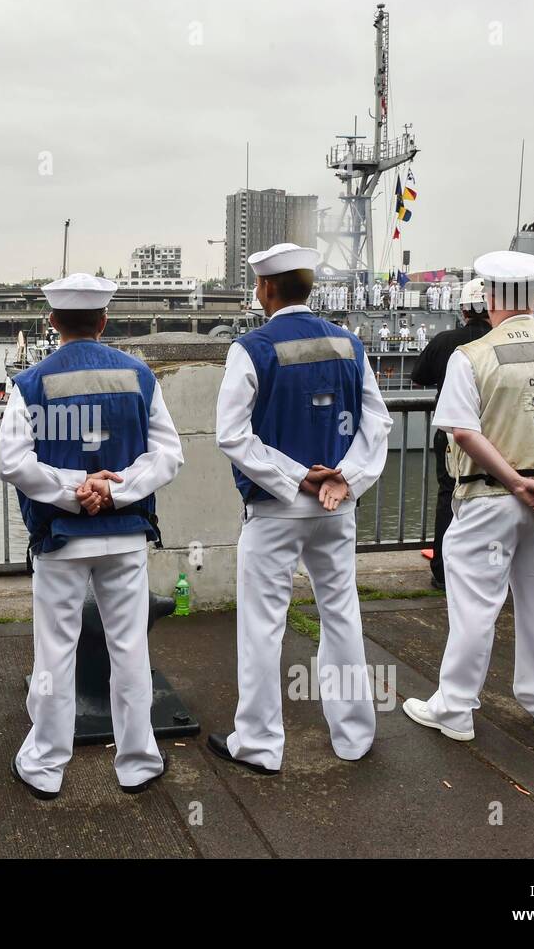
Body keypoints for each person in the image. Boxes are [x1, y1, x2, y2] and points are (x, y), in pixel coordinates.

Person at [403, 251, 534, 741]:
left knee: (476, 606)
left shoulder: (472, 356)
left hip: (491, 497)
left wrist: (517, 482)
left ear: (489, 296)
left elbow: (463, 431)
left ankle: (455, 710)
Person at [208, 244, 392, 773]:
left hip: (273, 511)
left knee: (263, 627)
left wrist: (294, 478)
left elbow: (233, 435)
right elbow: (377, 423)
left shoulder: (251, 348)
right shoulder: (349, 344)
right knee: (342, 615)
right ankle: (354, 734)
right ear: (309, 287)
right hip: (336, 509)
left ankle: (261, 743)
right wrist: (344, 479)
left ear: (266, 288)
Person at [1, 273, 184, 799]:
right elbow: (168, 455)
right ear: (104, 321)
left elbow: (14, 463)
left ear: (53, 322)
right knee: (128, 649)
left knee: (55, 649)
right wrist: (116, 493)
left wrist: (72, 491)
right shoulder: (139, 376)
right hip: (125, 536)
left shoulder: (30, 382)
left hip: (61, 538)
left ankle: (45, 765)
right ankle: (139, 762)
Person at [411, 277, 491, 590]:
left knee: (450, 496)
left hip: (453, 433)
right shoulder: (500, 338)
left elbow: (419, 376)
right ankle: (487, 568)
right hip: (496, 432)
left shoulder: (447, 340)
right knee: (495, 498)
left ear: (463, 307)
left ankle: (443, 571)